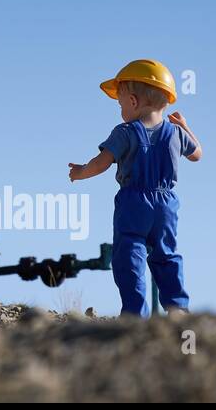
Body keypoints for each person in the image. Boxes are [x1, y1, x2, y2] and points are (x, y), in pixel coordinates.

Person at [68, 59, 202, 316]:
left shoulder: (124, 132)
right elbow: (198, 155)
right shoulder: (175, 133)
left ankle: (134, 314)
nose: (120, 110)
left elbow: (101, 163)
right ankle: (178, 311)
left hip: (133, 203)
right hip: (166, 205)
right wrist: (185, 126)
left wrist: (80, 172)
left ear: (132, 102)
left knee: (129, 256)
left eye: (120, 104)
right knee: (166, 256)